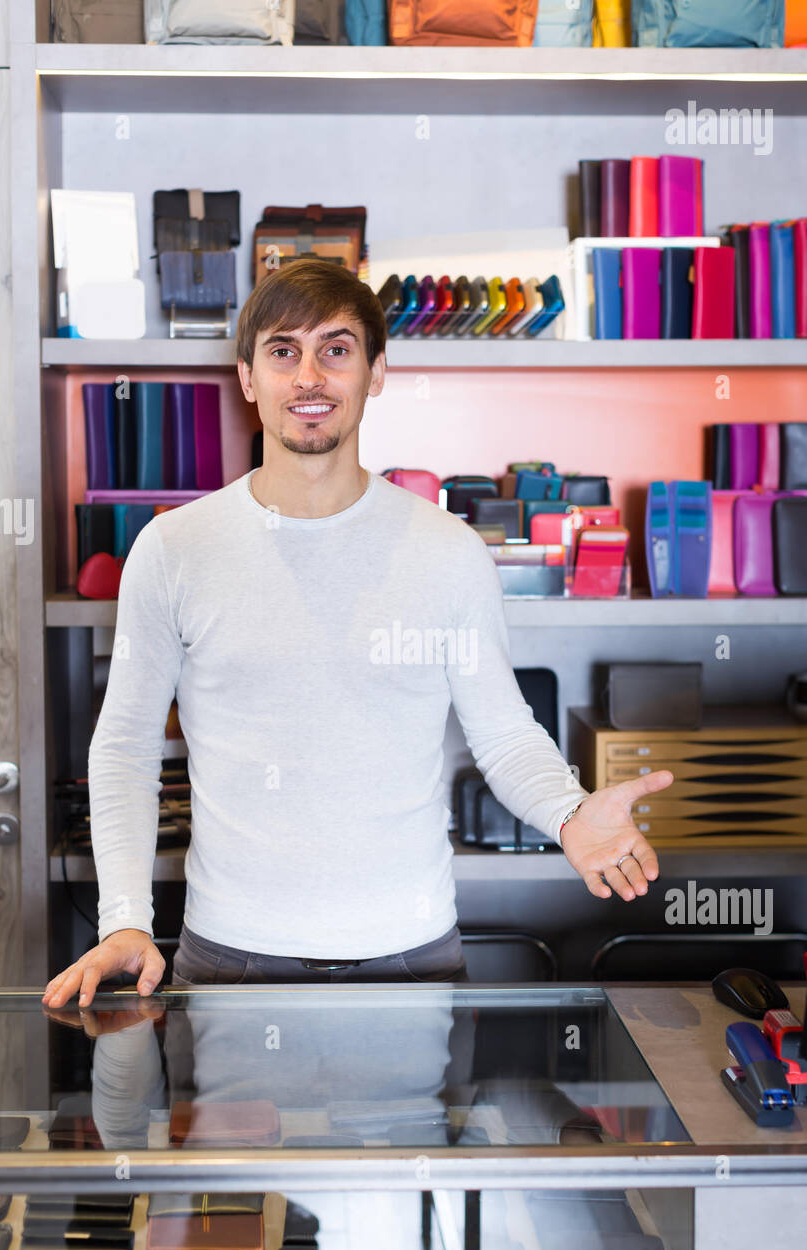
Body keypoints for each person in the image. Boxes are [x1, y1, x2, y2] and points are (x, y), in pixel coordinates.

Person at [44, 261, 673, 1009]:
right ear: (247, 376)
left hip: (412, 960)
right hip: (231, 961)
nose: (309, 375)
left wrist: (569, 812)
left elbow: (502, 734)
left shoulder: (448, 550)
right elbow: (126, 746)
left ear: (376, 372)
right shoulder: (175, 548)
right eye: (283, 351)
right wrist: (124, 919)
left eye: (336, 349)